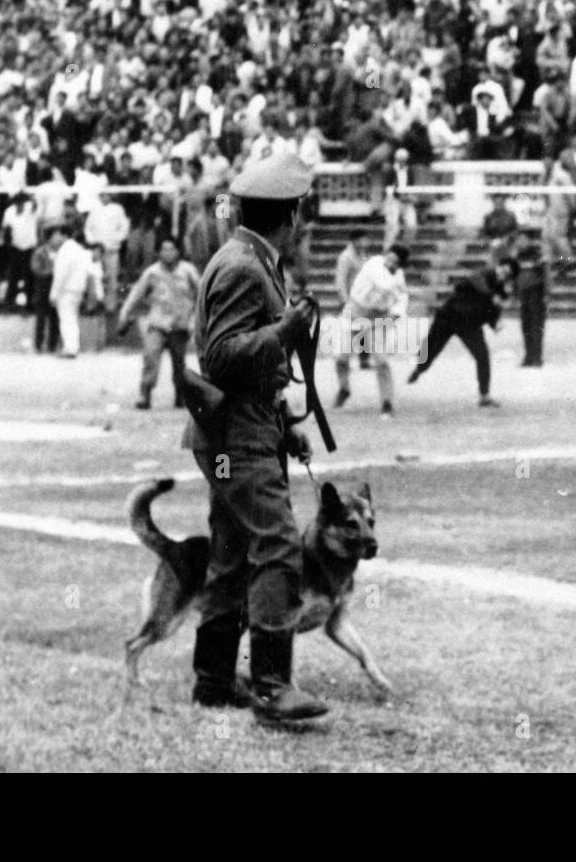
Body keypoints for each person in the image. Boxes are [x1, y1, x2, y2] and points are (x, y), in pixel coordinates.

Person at [184, 150, 329, 722]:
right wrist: (285, 329)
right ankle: (272, 684)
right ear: (289, 215)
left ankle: (214, 679)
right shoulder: (245, 266)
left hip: (239, 430)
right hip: (236, 436)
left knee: (231, 550)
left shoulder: (248, 258)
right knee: (277, 544)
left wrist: (285, 425)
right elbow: (220, 358)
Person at [408, 257, 510, 408]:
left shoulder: (499, 290)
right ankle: (420, 368)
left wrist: (496, 322)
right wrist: (492, 297)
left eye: (507, 274)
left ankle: (484, 395)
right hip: (449, 316)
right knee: (431, 349)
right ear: (498, 266)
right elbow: (478, 283)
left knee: (482, 356)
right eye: (503, 270)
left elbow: (492, 312)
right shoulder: (484, 274)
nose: (503, 274)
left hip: (470, 325)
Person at [118, 236, 200, 410]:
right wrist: (124, 313)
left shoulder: (188, 271)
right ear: (158, 252)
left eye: (171, 249)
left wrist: (197, 319)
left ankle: (180, 394)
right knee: (150, 356)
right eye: (164, 250)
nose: (167, 253)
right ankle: (145, 393)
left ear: (177, 252)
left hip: (180, 324)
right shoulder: (152, 272)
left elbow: (200, 294)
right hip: (158, 322)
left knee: (179, 363)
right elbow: (136, 294)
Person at [339, 244, 410, 418]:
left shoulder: (399, 275)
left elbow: (403, 298)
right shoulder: (374, 264)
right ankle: (344, 389)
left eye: (394, 262)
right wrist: (398, 284)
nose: (389, 263)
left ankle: (387, 402)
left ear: (400, 265)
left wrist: (396, 313)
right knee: (341, 357)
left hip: (378, 316)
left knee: (381, 360)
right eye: (389, 258)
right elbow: (384, 284)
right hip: (356, 310)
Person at [48, 226, 100, 359]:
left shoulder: (65, 250)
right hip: (77, 289)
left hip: (67, 289)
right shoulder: (79, 249)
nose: (54, 238)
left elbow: (61, 275)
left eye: (56, 235)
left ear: (62, 234)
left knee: (66, 319)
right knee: (72, 319)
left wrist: (54, 294)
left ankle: (70, 348)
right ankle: (72, 347)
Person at [333, 228, 371, 373]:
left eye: (366, 240)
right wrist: (344, 300)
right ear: (354, 241)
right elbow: (341, 279)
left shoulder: (364, 255)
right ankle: (344, 360)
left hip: (363, 299)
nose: (365, 242)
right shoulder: (346, 257)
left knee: (364, 329)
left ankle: (364, 359)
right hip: (350, 298)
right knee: (349, 331)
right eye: (362, 239)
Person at [513, 228, 548, 367]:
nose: (520, 242)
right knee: (525, 325)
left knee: (536, 325)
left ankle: (537, 357)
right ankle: (528, 356)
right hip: (524, 294)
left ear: (529, 240)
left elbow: (545, 275)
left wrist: (546, 294)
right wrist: (515, 293)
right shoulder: (518, 256)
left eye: (523, 239)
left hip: (536, 292)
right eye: (519, 240)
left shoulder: (537, 254)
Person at [1, 192, 39, 312]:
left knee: (29, 276)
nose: (21, 204)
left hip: (29, 248)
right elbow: (6, 228)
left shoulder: (30, 208)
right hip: (15, 247)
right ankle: (10, 303)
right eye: (18, 202)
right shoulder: (9, 212)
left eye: (23, 202)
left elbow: (35, 206)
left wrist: (32, 198)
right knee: (14, 276)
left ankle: (29, 303)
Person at [30, 230, 60, 353]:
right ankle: (38, 344)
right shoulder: (40, 252)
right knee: (41, 316)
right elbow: (35, 268)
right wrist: (50, 271)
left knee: (55, 316)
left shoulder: (61, 252)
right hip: (43, 284)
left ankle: (52, 345)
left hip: (55, 284)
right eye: (55, 237)